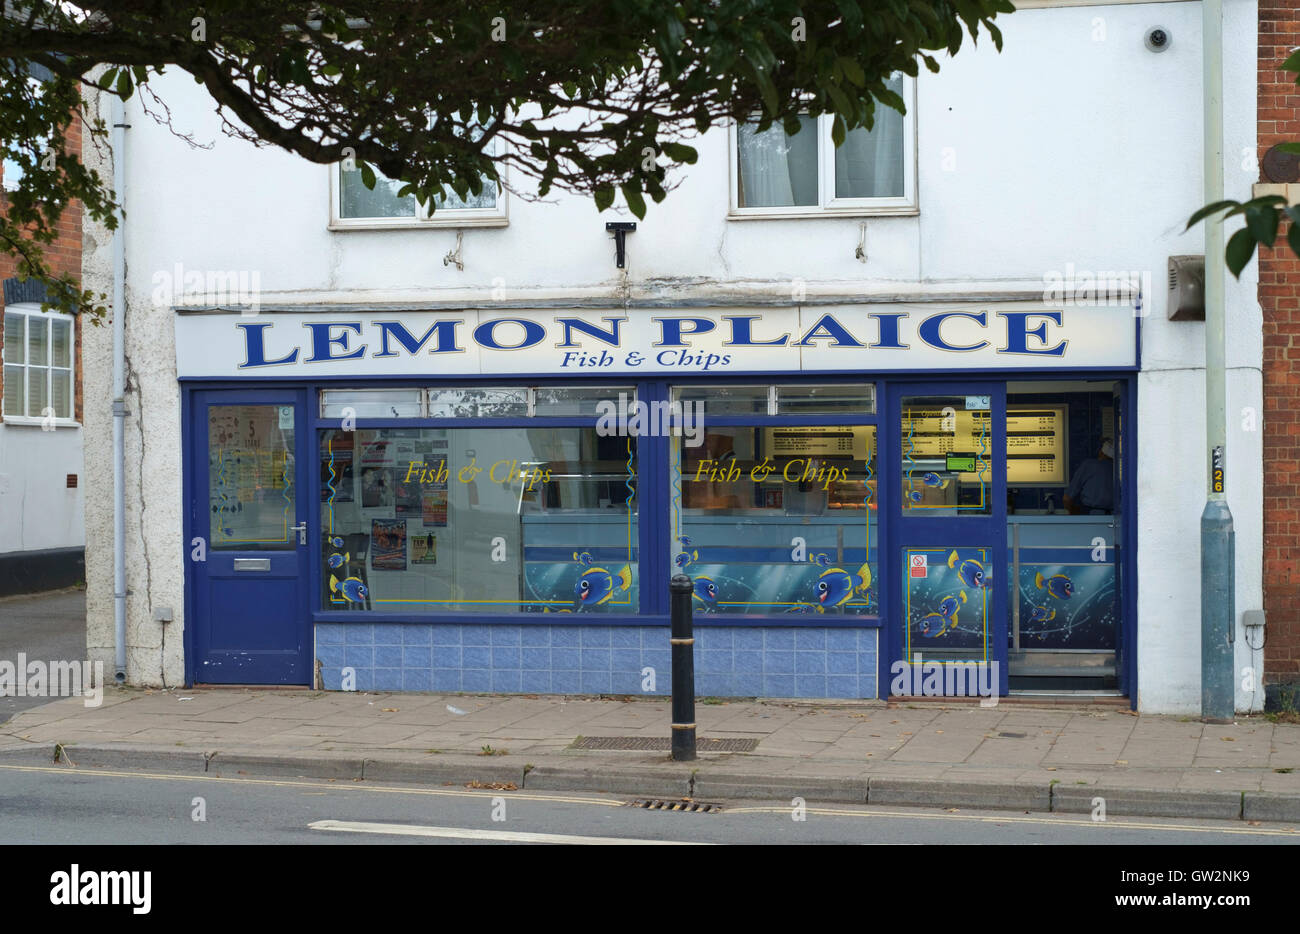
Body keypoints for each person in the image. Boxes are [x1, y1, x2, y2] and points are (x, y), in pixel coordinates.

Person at [1064, 437, 1115, 515]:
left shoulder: (1088, 465)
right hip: (1115, 517)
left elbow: (1067, 498)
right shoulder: (1118, 469)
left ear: (1101, 452)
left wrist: (1073, 512)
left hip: (1091, 517)